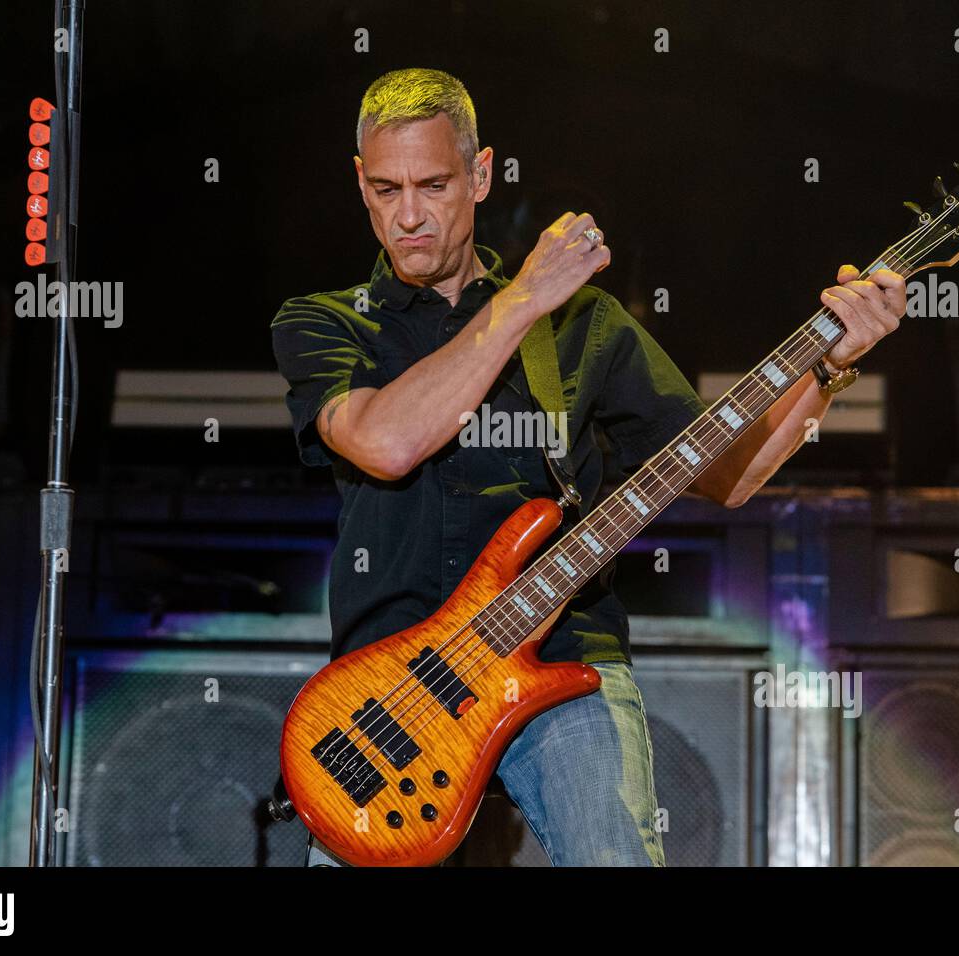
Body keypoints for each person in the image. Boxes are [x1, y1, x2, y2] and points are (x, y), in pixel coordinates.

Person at [272, 68, 905, 866]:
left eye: (433, 185)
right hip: (383, 697)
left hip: (561, 659)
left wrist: (826, 370)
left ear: (481, 174)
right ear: (359, 181)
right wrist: (523, 299)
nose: (408, 216)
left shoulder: (584, 323)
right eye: (386, 188)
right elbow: (384, 442)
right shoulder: (323, 322)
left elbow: (728, 474)